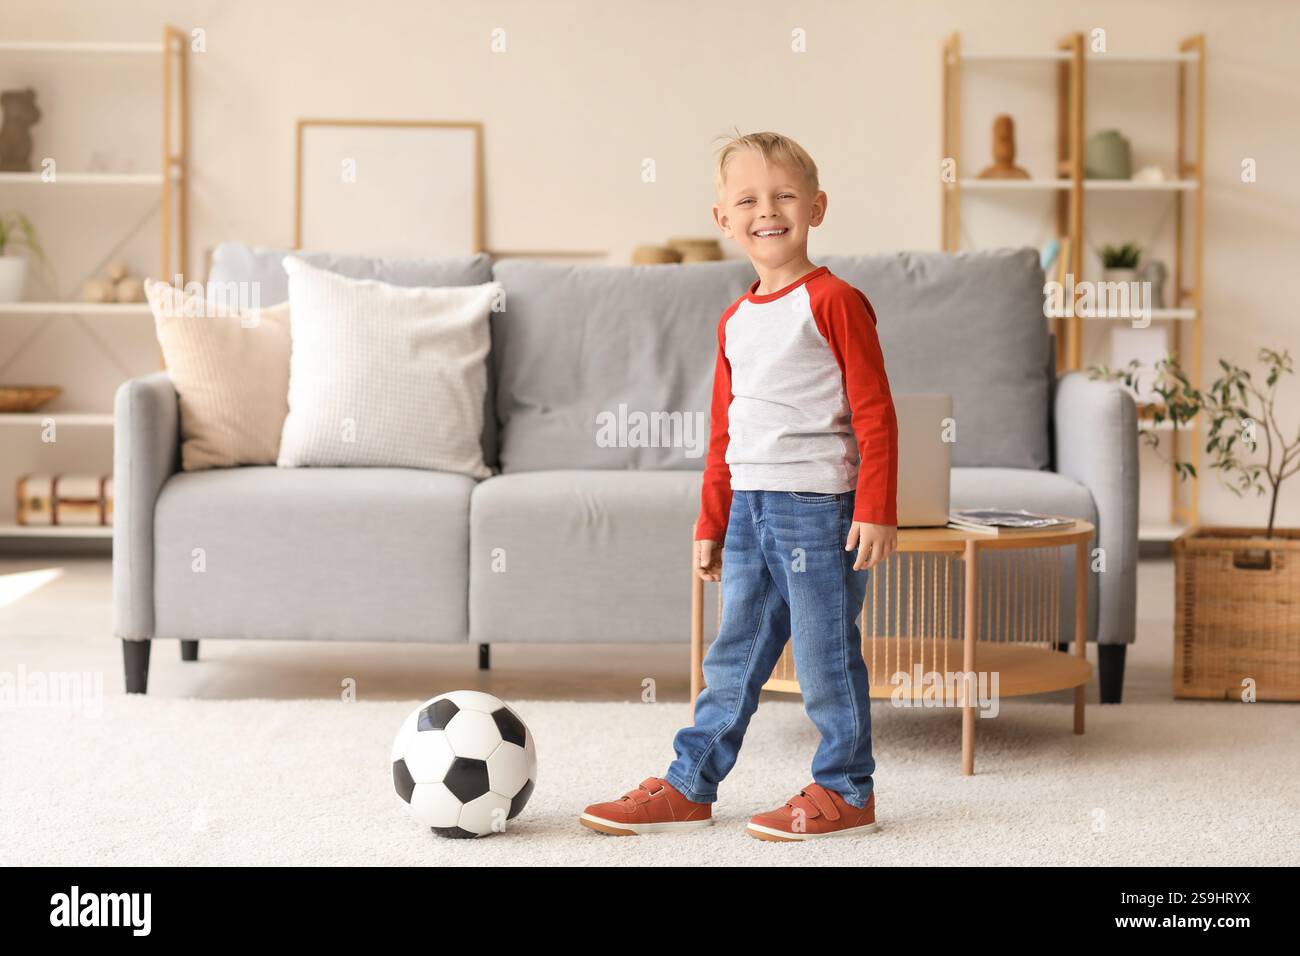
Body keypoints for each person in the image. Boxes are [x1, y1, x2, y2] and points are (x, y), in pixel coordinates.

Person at [580, 131, 899, 841]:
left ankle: (846, 791)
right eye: (748, 199)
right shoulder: (734, 319)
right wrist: (710, 522)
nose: (768, 211)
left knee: (823, 655)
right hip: (751, 511)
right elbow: (723, 435)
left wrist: (877, 507)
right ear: (722, 218)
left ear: (816, 207)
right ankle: (689, 785)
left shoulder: (836, 301)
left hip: (818, 510)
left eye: (785, 195)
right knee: (732, 656)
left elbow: (875, 410)